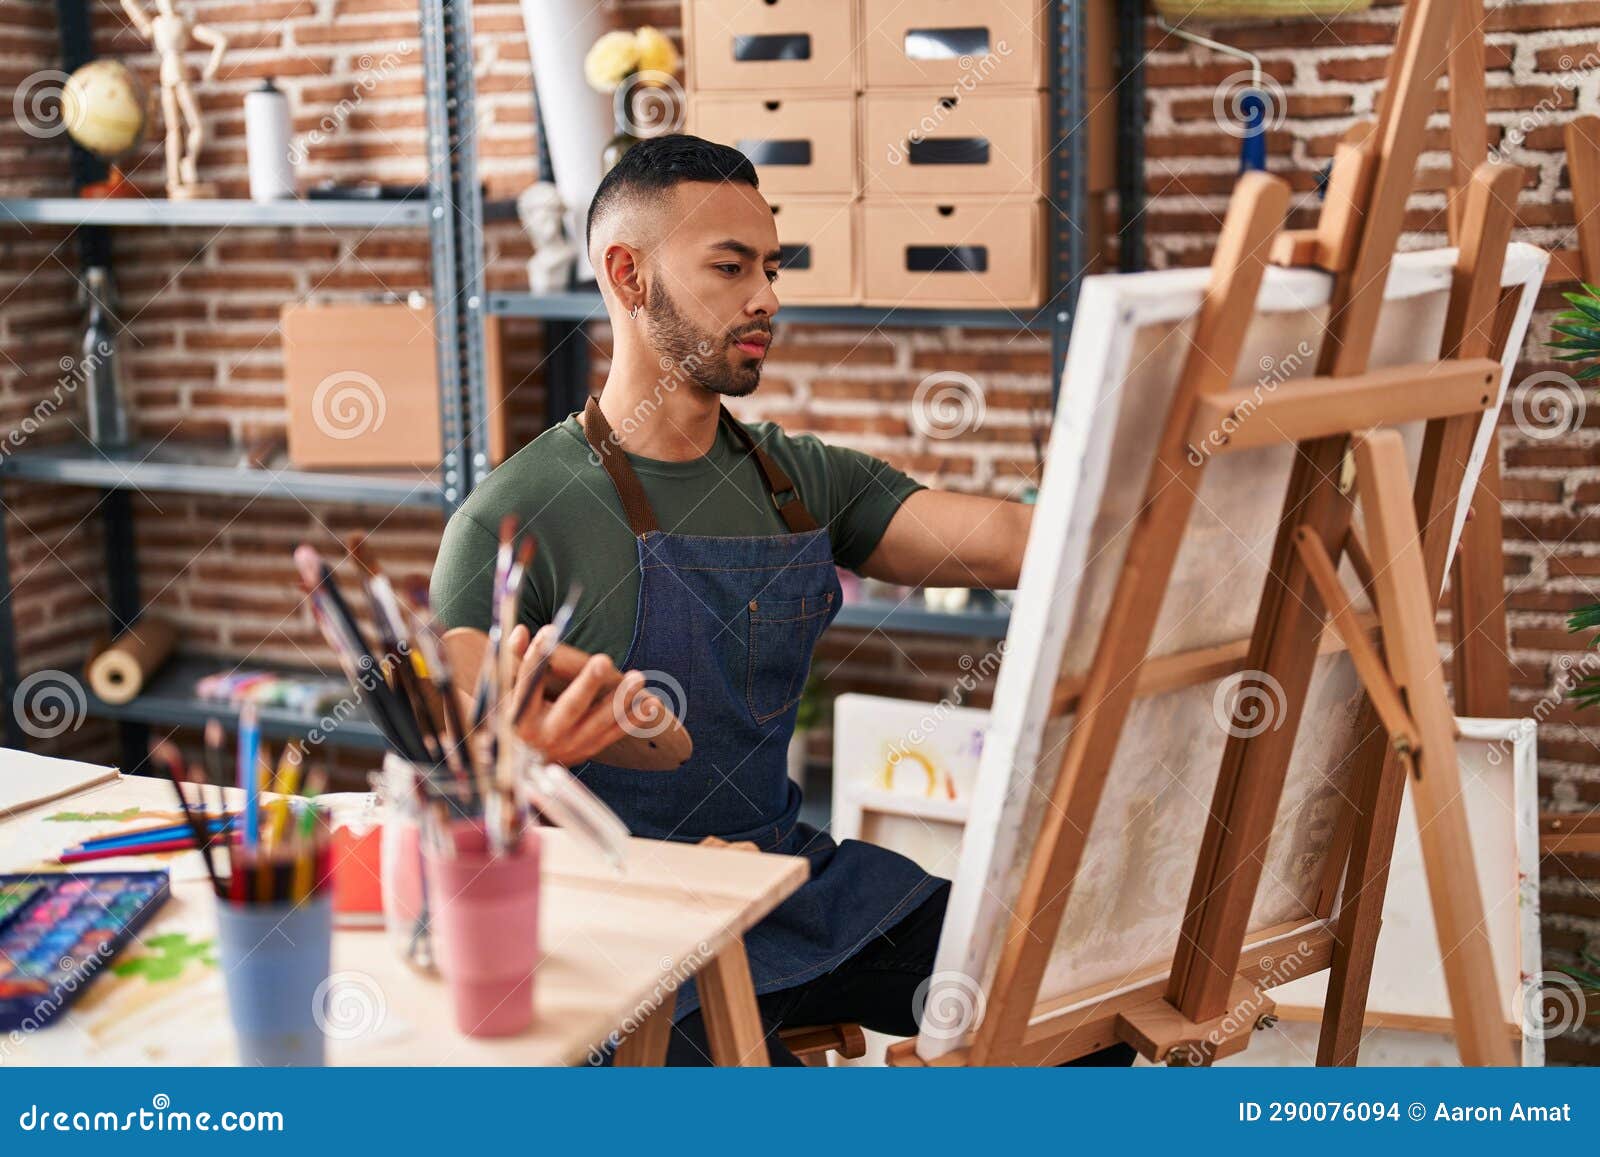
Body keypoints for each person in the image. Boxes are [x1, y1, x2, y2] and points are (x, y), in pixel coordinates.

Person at [430, 134, 1134, 1067]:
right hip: (620, 924)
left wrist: (1194, 481)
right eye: (730, 266)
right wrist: (512, 759)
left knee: (1056, 1004)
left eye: (771, 265)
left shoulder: (796, 481)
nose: (767, 296)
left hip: (782, 882)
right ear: (628, 275)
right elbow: (455, 779)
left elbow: (1010, 539)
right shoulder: (512, 520)